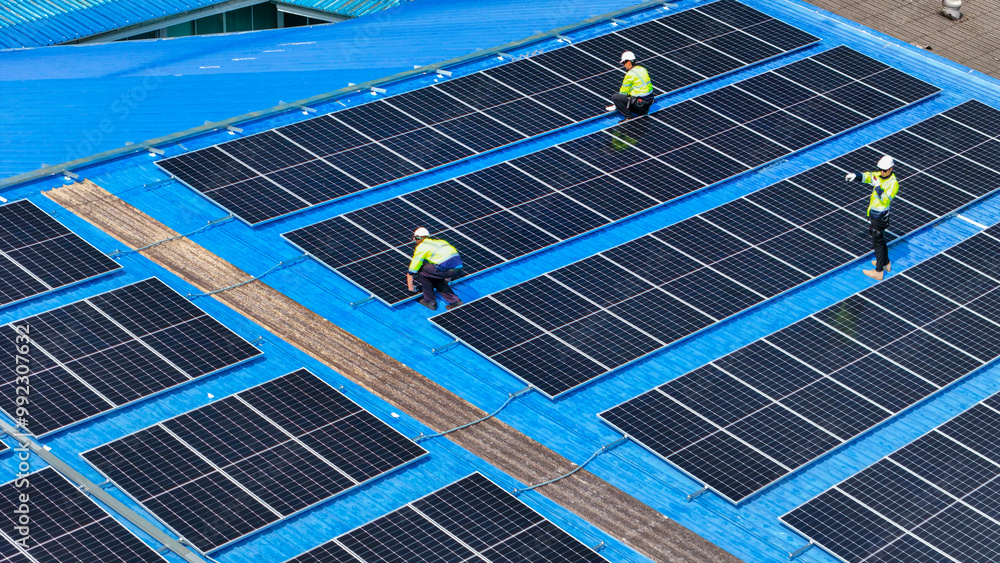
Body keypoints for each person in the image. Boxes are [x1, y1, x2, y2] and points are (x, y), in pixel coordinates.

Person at [845, 155, 898, 281]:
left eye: (884, 170)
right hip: (875, 215)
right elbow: (868, 176)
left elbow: (885, 200)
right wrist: (856, 175)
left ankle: (879, 271)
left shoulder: (893, 184)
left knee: (877, 242)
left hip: (879, 218)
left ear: (891, 169)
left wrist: (877, 186)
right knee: (881, 240)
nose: (881, 172)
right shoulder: (879, 176)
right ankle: (885, 263)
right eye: (880, 169)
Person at [407, 227, 464, 311]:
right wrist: (447, 278)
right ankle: (455, 301)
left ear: (417, 238)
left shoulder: (422, 247)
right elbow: (451, 260)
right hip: (458, 268)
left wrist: (410, 287)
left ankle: (430, 302)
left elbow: (413, 268)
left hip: (446, 270)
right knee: (433, 275)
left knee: (422, 271)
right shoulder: (441, 242)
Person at [609, 51, 654, 122]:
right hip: (649, 102)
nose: (624, 65)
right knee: (630, 96)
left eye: (624, 63)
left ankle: (628, 117)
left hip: (640, 105)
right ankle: (641, 111)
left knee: (615, 97)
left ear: (629, 62)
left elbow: (623, 92)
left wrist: (616, 105)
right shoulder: (642, 69)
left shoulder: (630, 74)